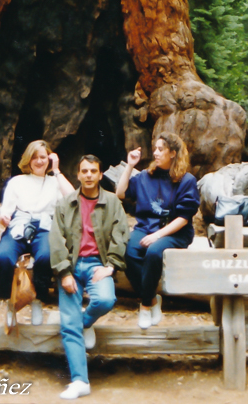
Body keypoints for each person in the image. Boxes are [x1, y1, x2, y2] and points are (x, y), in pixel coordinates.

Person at [50, 154, 129, 401]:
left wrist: (112, 266)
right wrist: (63, 272)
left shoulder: (113, 202)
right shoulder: (65, 204)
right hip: (72, 266)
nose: (88, 176)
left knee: (105, 300)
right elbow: (55, 239)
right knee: (68, 324)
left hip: (97, 264)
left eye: (93, 171)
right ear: (78, 174)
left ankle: (85, 322)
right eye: (84, 171)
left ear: (100, 174)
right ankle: (80, 381)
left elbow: (121, 235)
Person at [116, 132, 199, 329]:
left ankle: (145, 306)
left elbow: (184, 218)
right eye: (155, 149)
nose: (155, 153)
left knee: (153, 252)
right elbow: (120, 193)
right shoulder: (145, 176)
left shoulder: (186, 180)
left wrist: (157, 235)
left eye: (160, 149)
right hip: (146, 227)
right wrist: (130, 166)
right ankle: (153, 298)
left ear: (172, 153)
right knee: (129, 252)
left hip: (175, 232)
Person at [0, 139, 74, 325]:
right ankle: (11, 302)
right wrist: (4, 218)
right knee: (3, 258)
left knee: (46, 257)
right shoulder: (18, 181)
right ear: (28, 160)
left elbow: (72, 197)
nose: (39, 161)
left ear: (50, 159)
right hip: (20, 224)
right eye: (35, 157)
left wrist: (57, 170)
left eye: (43, 157)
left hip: (45, 227)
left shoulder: (55, 182)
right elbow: (6, 210)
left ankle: (38, 299)